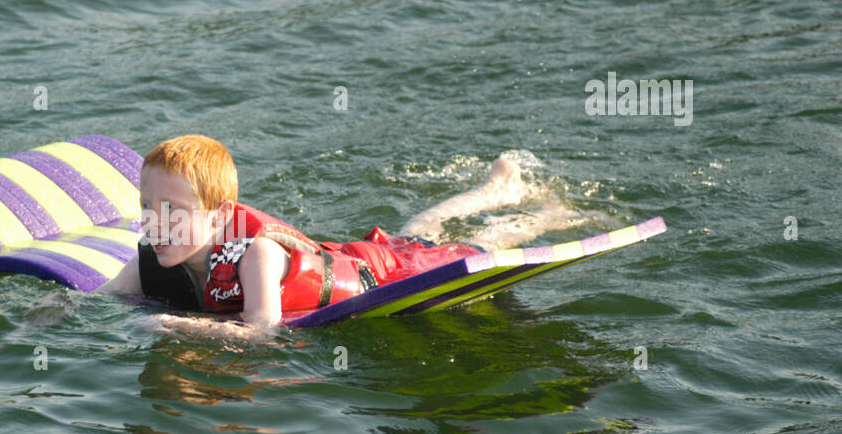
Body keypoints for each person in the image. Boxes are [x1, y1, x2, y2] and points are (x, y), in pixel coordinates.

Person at [99, 134, 547, 338]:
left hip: (381, 272)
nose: (155, 223)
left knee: (452, 243)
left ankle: (509, 200)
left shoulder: (256, 255)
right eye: (146, 209)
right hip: (347, 255)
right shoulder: (151, 262)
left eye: (173, 210)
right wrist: (52, 308)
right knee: (416, 231)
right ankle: (493, 190)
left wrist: (179, 325)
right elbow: (97, 301)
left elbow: (262, 332)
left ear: (219, 217)